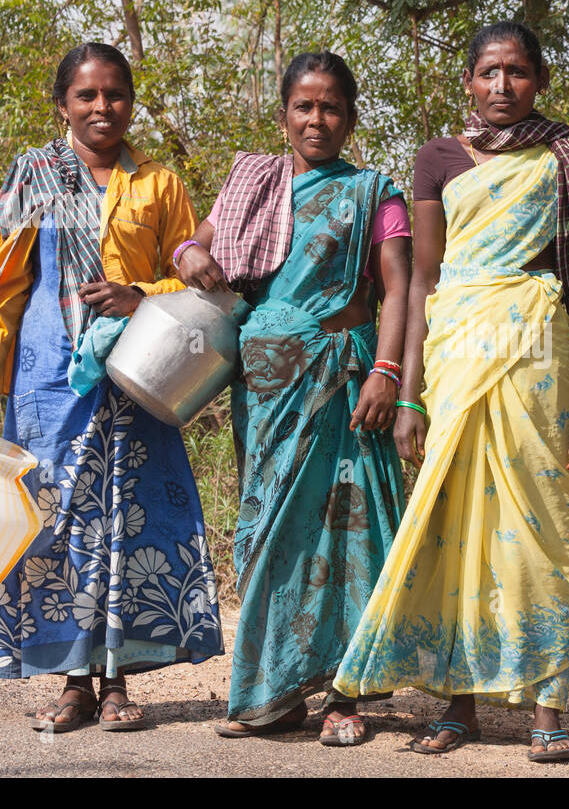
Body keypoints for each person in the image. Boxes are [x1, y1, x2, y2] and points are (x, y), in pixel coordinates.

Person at [333, 21, 569, 763]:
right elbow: (427, 279)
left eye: (518, 72)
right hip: (459, 351)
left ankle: (546, 708)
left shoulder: (565, 157)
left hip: (536, 354)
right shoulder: (436, 158)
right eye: (489, 72)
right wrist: (410, 393)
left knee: (542, 528)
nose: (503, 87)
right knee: (451, 524)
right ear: (467, 81)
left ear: (541, 80)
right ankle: (457, 705)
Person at [0, 42, 225, 732]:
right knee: (56, 524)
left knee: (130, 521)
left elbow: (197, 280)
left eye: (117, 94)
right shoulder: (32, 173)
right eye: (87, 96)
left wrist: (140, 293)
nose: (104, 107)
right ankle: (72, 682)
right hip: (47, 379)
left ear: (132, 99)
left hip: (139, 374)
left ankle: (120, 682)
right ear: (63, 103)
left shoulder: (159, 185)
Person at [175, 51, 410, 746]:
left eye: (331, 106)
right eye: (304, 106)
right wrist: (189, 253)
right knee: (266, 533)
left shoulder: (375, 192)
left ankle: (345, 692)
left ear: (350, 117)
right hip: (266, 394)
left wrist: (388, 372)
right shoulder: (253, 185)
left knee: (342, 534)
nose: (316, 118)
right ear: (283, 116)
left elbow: (399, 288)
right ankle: (271, 693)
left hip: (340, 385)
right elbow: (197, 247)